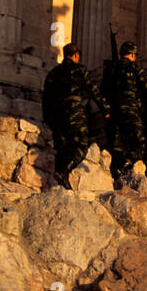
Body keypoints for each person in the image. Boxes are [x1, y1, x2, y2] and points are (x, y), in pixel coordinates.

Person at [41, 43, 107, 186]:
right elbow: (93, 91)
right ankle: (65, 171)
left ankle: (61, 181)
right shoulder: (79, 70)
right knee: (82, 144)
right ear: (76, 55)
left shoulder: (53, 73)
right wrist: (106, 110)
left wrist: (47, 118)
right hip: (74, 113)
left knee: (62, 146)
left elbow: (46, 97)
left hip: (56, 115)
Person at [102, 41, 147, 177]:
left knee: (117, 146)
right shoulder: (134, 68)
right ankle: (127, 162)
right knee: (139, 144)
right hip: (130, 111)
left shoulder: (110, 69)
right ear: (132, 55)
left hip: (113, 112)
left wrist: (106, 110)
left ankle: (117, 172)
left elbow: (102, 90)